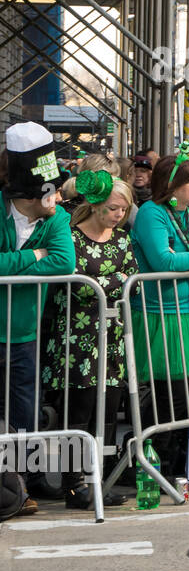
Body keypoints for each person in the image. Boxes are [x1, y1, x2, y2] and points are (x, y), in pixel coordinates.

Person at [38, 170, 135, 508]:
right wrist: (111, 280)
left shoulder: (123, 239)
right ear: (95, 207)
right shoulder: (72, 237)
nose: (118, 215)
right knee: (76, 414)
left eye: (123, 209)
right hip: (74, 340)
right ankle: (73, 485)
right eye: (112, 209)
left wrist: (101, 282)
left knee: (107, 413)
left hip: (112, 338)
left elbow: (132, 278)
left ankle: (100, 479)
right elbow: (78, 284)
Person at [129, 150, 189, 474]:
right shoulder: (151, 213)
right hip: (161, 315)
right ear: (171, 186)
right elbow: (162, 263)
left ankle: (180, 460)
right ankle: (161, 462)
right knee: (169, 394)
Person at [0, 122, 75, 511]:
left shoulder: (56, 219)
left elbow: (65, 261)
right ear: (34, 192)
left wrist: (9, 267)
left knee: (25, 412)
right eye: (52, 188)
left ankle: (23, 486)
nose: (59, 194)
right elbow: (47, 260)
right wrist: (33, 257)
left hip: (25, 333)